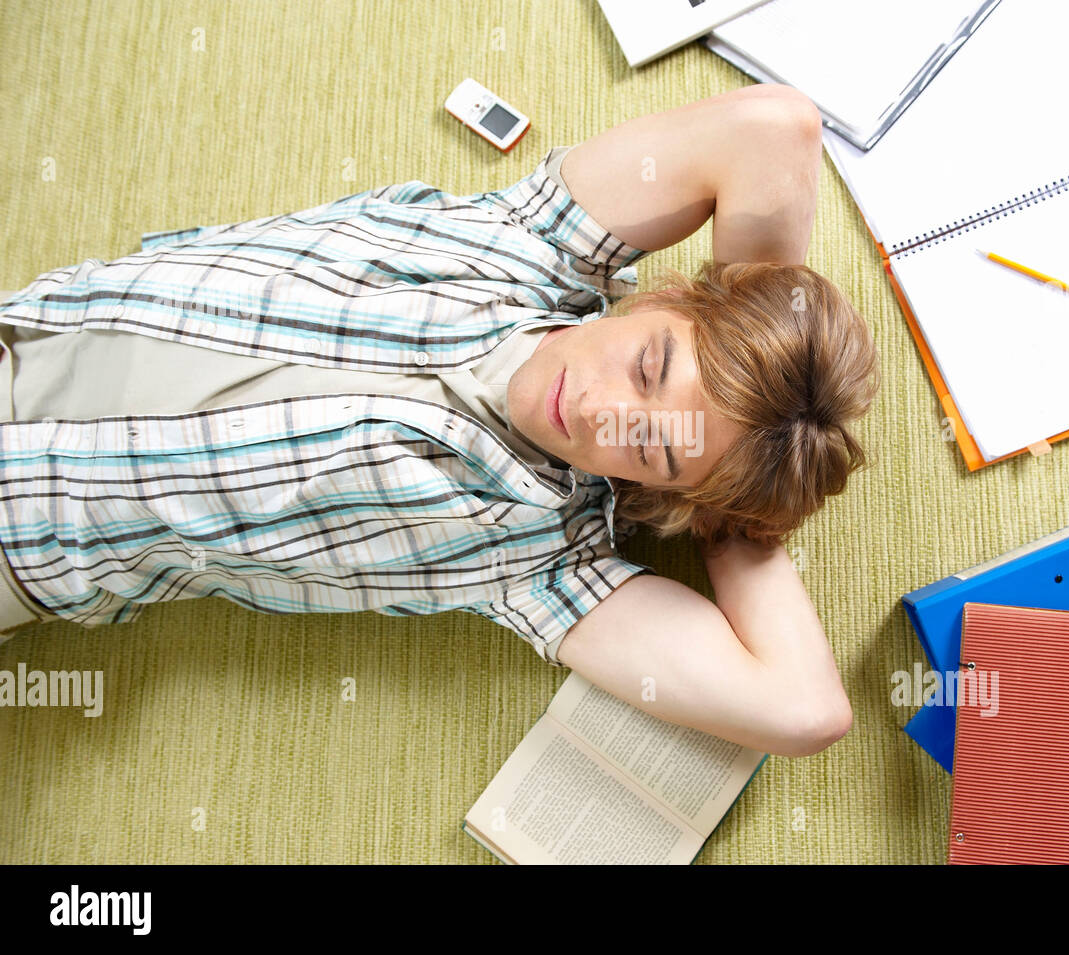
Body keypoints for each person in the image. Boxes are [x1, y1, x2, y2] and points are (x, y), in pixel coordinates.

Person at [0, 84, 879, 757]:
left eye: (650, 446)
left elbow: (803, 710)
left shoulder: (535, 557)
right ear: (674, 298)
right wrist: (752, 325)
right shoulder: (521, 248)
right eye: (650, 366)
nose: (603, 411)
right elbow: (775, 131)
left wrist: (730, 510)